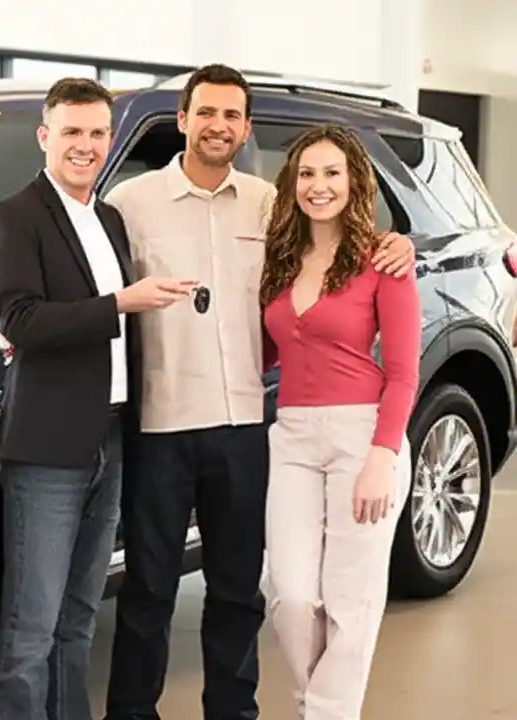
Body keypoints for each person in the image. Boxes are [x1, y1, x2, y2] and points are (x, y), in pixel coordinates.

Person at [101, 64, 416, 720]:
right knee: (154, 589)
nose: (218, 126)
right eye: (205, 112)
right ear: (182, 120)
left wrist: (400, 244)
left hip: (248, 426)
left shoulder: (271, 206)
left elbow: (335, 261)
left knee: (240, 591)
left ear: (245, 129)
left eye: (231, 116)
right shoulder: (130, 206)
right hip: (164, 421)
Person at [0, 76, 195, 720]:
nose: (86, 145)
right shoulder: (16, 216)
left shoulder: (106, 219)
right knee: (30, 629)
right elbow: (19, 320)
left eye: (98, 133)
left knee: (78, 619)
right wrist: (120, 304)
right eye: (72, 131)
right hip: (49, 446)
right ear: (46, 137)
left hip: (110, 438)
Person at [258, 124, 419, 719]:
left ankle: (327, 714)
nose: (318, 186)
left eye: (331, 173)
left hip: (362, 438)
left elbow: (403, 372)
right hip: (293, 436)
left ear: (354, 182)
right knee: (292, 596)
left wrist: (383, 456)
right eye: (306, 173)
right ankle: (316, 704)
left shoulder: (384, 260)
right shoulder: (279, 260)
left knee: (352, 601)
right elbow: (268, 353)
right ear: (291, 183)